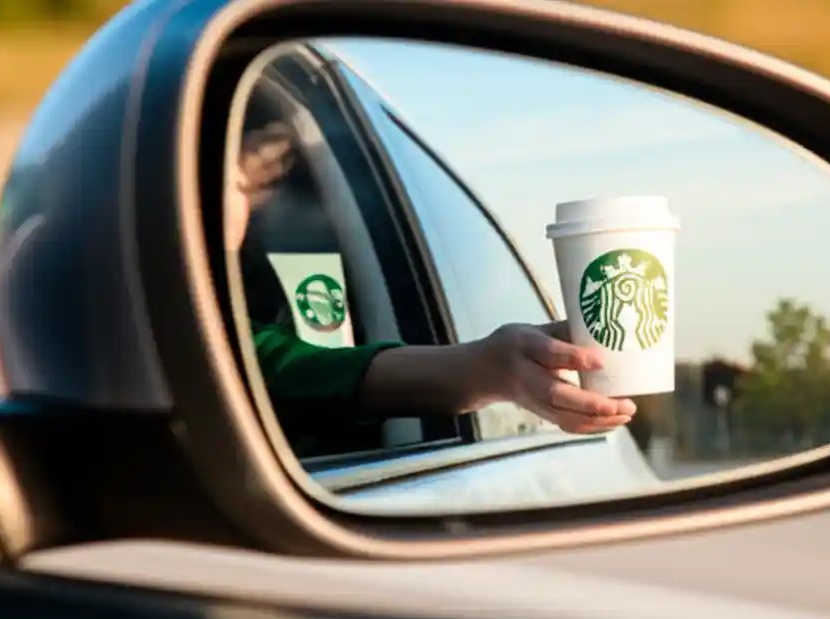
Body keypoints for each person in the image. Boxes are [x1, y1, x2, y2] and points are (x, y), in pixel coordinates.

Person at [226, 121, 637, 440]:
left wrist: (497, 368)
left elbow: (318, 370)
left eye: (234, 185)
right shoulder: (205, 339)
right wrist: (494, 369)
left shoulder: (228, 342)